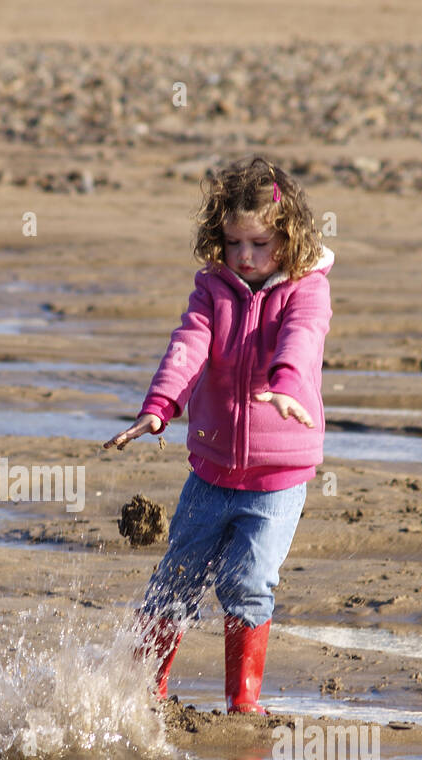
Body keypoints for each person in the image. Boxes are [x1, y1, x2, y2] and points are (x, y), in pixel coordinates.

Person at [104, 157, 333, 713]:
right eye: (234, 243)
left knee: (248, 583)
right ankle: (142, 690)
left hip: (278, 478)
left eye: (259, 243)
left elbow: (302, 338)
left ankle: (243, 702)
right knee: (176, 579)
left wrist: (285, 386)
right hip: (210, 471)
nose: (245, 256)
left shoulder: (307, 290)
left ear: (289, 237)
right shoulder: (212, 288)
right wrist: (159, 408)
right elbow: (189, 345)